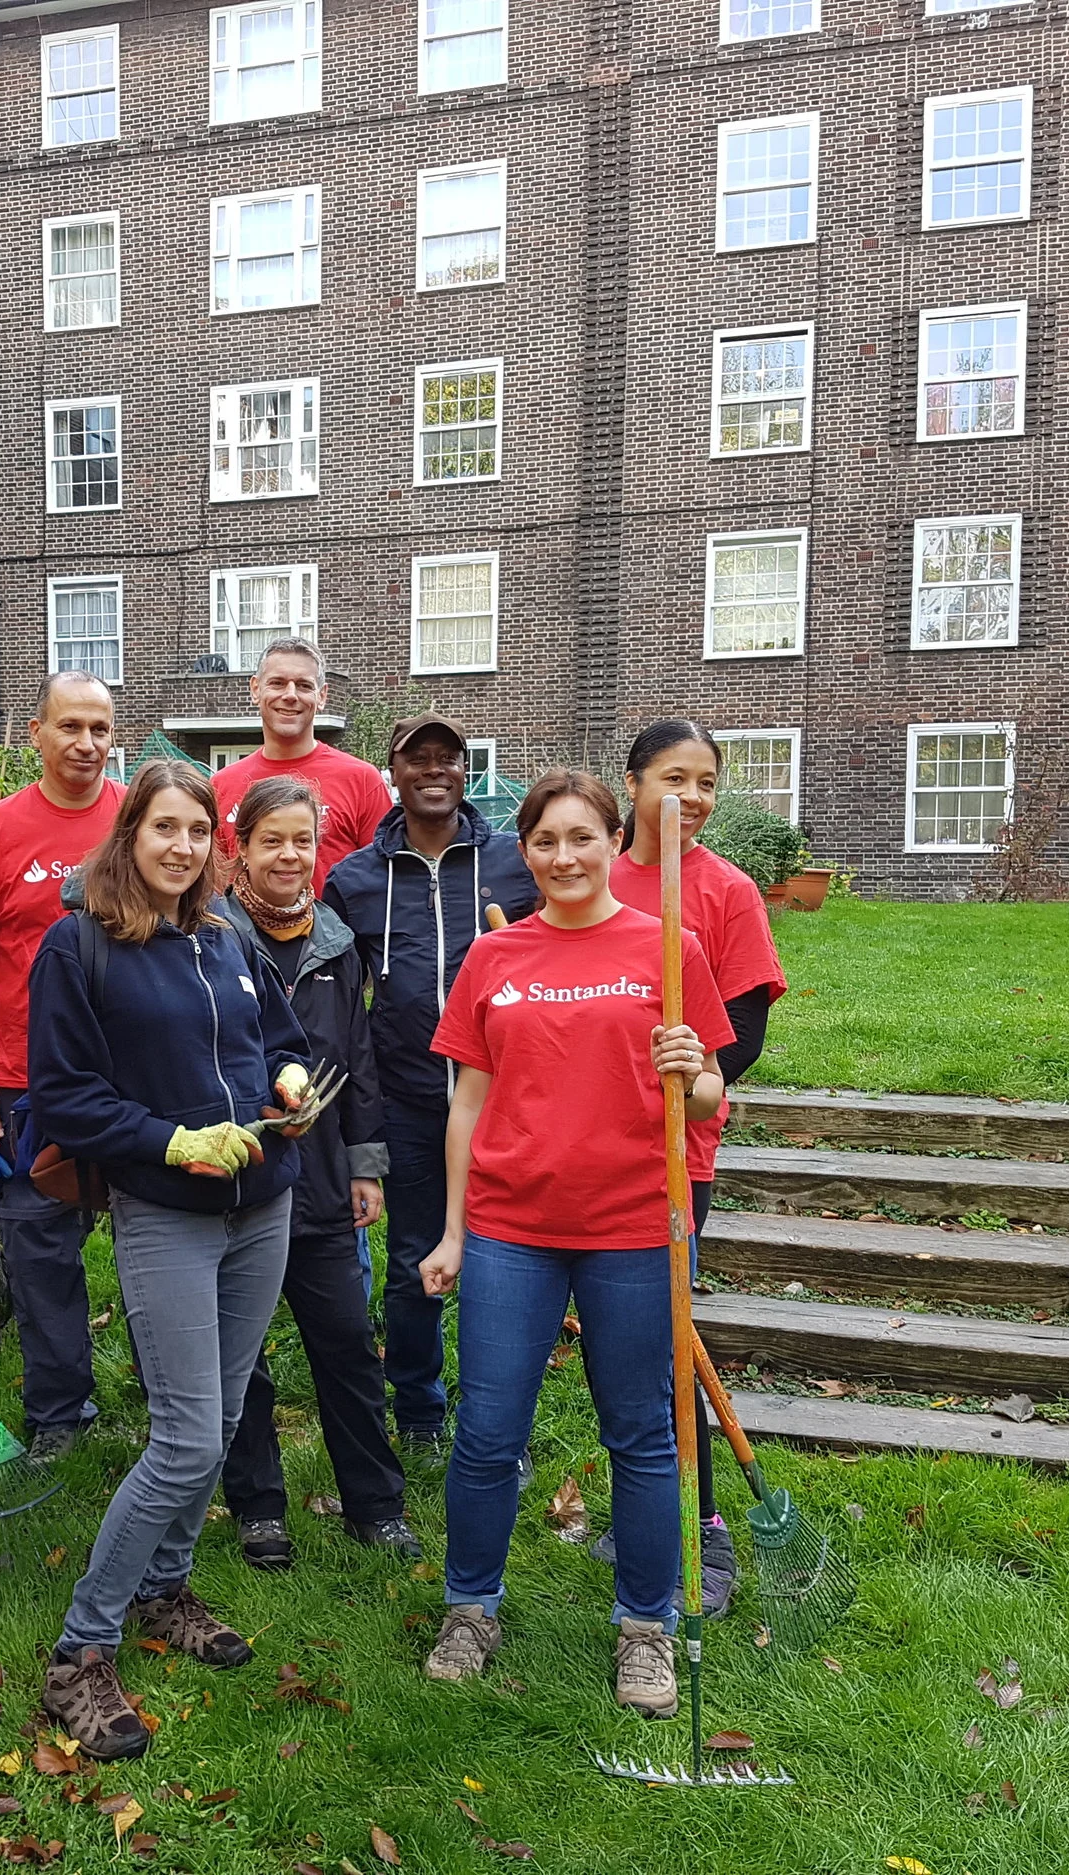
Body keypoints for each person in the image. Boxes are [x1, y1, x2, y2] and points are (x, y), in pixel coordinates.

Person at [414, 769, 731, 1716]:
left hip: (635, 1226)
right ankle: (470, 1607)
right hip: (513, 1228)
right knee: (486, 1434)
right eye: (545, 842)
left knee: (640, 1436)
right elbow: (465, 1105)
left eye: (582, 838)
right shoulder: (494, 958)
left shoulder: (666, 948)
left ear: (611, 839)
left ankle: (646, 1627)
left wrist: (693, 1069)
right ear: (528, 851)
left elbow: (713, 1095)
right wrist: (453, 1229)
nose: (564, 857)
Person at [25, 761, 313, 1761]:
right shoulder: (78, 948)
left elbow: (277, 1031)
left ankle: (164, 1589)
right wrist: (171, 1142)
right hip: (168, 1210)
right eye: (164, 829)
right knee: (188, 1438)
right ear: (129, 835)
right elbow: (60, 1097)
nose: (183, 847)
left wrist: (284, 1076)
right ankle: (79, 1652)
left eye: (198, 831)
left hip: (261, 1204)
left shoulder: (225, 935)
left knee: (224, 1417)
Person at [590, 720, 789, 1613]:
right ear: (631, 784)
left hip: (675, 1150)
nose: (695, 798)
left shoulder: (728, 890)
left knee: (670, 1339)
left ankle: (700, 1527)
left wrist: (661, 1088)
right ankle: (641, 1504)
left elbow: (738, 1040)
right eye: (676, 778)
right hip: (579, 1147)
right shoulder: (589, 867)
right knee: (613, 1340)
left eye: (708, 782)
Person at [210, 776, 417, 1570]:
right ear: (240, 849)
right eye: (273, 841)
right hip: (239, 1178)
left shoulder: (336, 941)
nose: (290, 856)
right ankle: (259, 1505)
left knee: (346, 1345)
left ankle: (375, 1502)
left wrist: (367, 1165)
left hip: (325, 1180)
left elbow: (359, 1060)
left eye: (303, 840)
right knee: (244, 1357)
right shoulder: (212, 934)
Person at [323, 716, 537, 1452]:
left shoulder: (513, 864)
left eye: (450, 758)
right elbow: (338, 1003)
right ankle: (418, 1411)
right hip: (409, 1101)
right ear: (395, 771)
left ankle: (496, 1412)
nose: (436, 769)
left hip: (508, 1101)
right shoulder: (353, 879)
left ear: (466, 771)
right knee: (417, 1264)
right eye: (421, 758)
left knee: (505, 1265)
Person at [0, 671, 125, 1459]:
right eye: (70, 727)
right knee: (38, 1242)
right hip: (25, 1076)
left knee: (154, 1236)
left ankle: (177, 1394)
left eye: (100, 727)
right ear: (36, 733)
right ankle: (60, 1410)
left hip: (133, 1073)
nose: (86, 743)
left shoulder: (136, 817)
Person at [211, 636, 394, 890]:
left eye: (304, 685)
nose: (290, 695)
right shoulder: (221, 785)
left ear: (322, 696)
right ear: (255, 689)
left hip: (339, 929)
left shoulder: (362, 781)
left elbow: (386, 880)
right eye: (277, 683)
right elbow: (212, 885)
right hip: (240, 930)